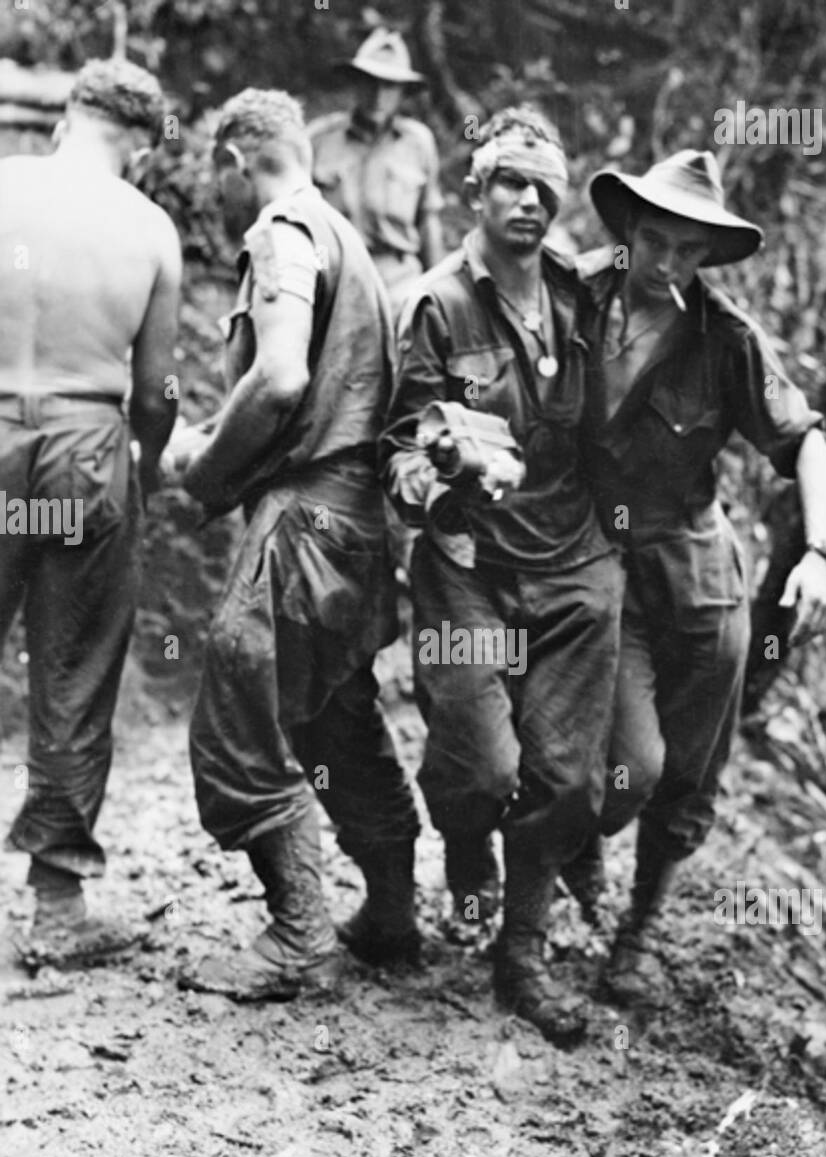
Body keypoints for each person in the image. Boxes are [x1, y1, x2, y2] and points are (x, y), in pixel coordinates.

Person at [166, 88, 420, 1003]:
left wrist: (202, 479)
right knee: (331, 713)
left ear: (236, 160)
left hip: (303, 522)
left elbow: (279, 379)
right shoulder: (344, 237)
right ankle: (391, 915)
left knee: (239, 705)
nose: (215, 193)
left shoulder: (279, 233)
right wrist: (217, 435)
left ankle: (298, 935)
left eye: (213, 174)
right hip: (351, 520)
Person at [576, 148, 826, 1012]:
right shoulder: (571, 297)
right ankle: (576, 842)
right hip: (598, 573)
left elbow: (803, 439)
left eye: (687, 251)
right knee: (626, 766)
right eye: (653, 241)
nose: (665, 265)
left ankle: (637, 936)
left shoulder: (724, 339)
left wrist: (822, 553)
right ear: (627, 232)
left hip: (696, 587)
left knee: (686, 774)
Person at [381, 108, 625, 1045]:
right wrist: (447, 472)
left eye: (543, 188)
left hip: (573, 567)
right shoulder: (435, 304)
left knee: (567, 780)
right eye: (506, 184)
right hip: (469, 567)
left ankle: (521, 953)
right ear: (472, 192)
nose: (526, 202)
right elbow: (399, 449)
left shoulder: (586, 292)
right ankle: (464, 849)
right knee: (480, 767)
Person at [0, 59, 181, 969]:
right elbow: (155, 393)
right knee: (72, 671)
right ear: (142, 148)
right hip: (83, 452)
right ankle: (57, 911)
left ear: (69, 114)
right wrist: (142, 460)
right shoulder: (148, 228)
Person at [307, 27, 444, 319]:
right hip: (331, 274)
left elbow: (428, 221)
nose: (379, 95)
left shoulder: (418, 143)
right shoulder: (320, 139)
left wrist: (438, 289)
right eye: (370, 82)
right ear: (355, 83)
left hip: (398, 279)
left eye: (390, 86)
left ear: (404, 92)